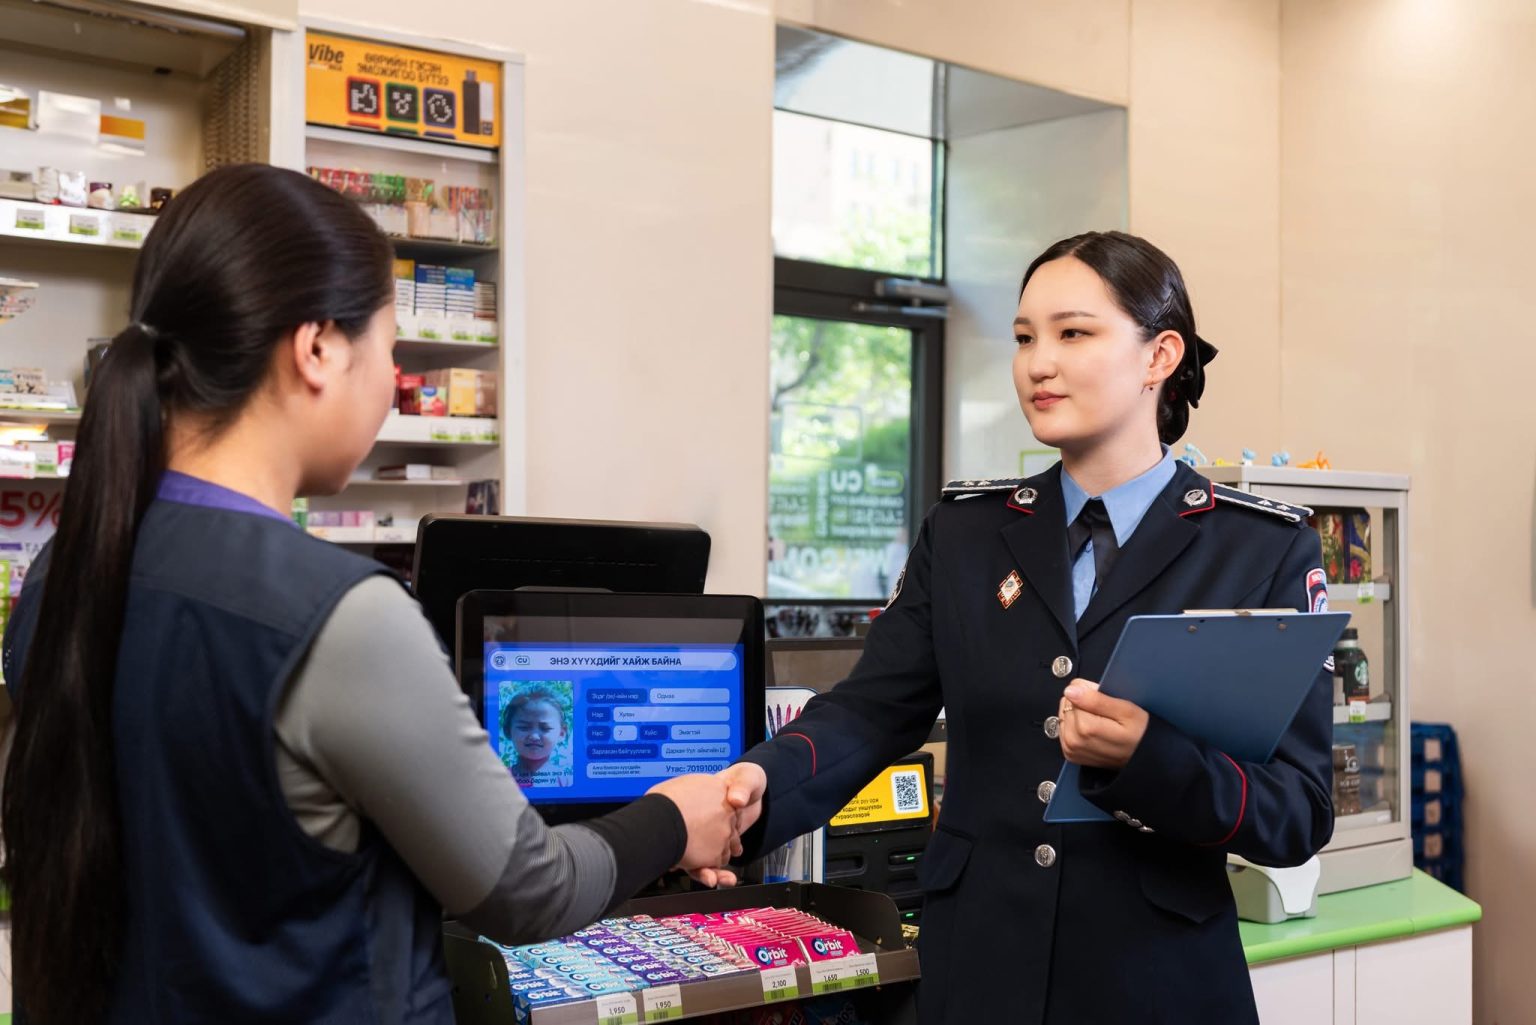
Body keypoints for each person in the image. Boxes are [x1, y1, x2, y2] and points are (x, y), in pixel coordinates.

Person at [0, 163, 744, 1025]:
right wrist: (670, 818)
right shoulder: (340, 614)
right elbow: (527, 889)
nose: (392, 380)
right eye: (390, 348)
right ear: (317, 348)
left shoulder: (59, 574)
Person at [715, 231, 1336, 1024]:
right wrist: (755, 787)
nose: (1038, 363)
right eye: (1023, 337)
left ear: (1159, 356)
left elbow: (1297, 809)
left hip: (1157, 983)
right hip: (978, 973)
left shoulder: (1259, 549)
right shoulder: (965, 533)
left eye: (1073, 333)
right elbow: (871, 712)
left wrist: (1150, 757)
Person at [501, 686, 575, 787]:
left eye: (545, 728)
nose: (534, 736)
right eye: (524, 727)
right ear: (507, 730)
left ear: (561, 733)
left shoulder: (567, 781)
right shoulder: (499, 780)